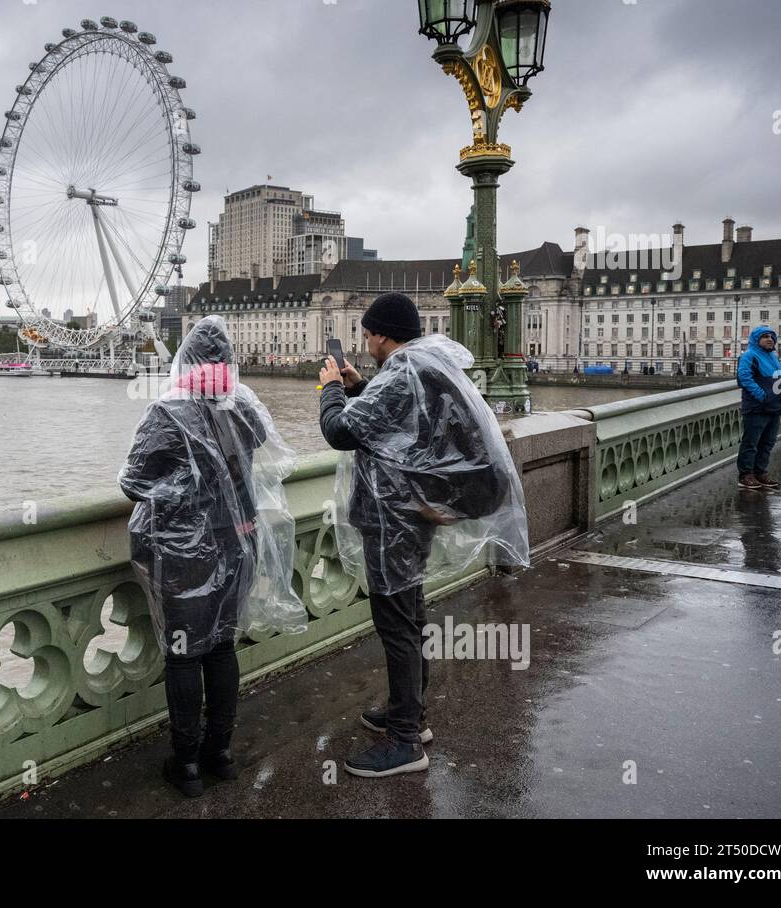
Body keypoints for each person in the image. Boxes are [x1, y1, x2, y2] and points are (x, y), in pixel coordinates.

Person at [318, 293, 528, 777]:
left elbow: (340, 432)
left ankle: (406, 741)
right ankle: (408, 712)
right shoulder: (419, 366)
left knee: (397, 624)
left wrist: (331, 388)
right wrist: (360, 387)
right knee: (409, 614)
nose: (365, 342)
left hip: (395, 519)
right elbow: (401, 426)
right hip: (416, 513)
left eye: (369, 335)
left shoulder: (401, 373)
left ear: (384, 335)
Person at [119, 315, 303, 797]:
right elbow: (262, 450)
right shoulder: (244, 405)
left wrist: (185, 489)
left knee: (183, 654)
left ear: (185, 356)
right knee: (222, 646)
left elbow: (133, 482)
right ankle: (218, 754)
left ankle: (186, 765)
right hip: (238, 539)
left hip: (182, 551)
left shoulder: (167, 410)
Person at [736, 325, 781, 490]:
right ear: (756, 340)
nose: (769, 339)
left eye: (772, 337)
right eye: (765, 336)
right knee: (751, 442)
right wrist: (762, 396)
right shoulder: (750, 355)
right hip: (757, 408)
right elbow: (744, 378)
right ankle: (745, 475)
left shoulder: (773, 357)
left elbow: (780, 380)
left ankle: (760, 473)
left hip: (774, 407)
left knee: (767, 443)